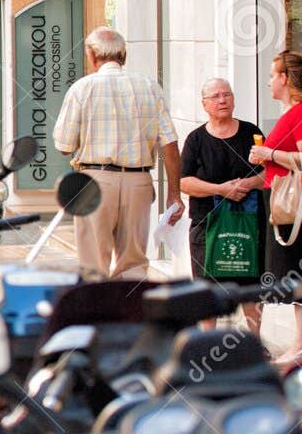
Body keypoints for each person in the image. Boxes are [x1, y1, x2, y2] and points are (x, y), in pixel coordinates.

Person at [53, 26, 183, 280]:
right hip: (138, 181)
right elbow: (170, 143)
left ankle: (100, 316)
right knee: (134, 264)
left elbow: (64, 145)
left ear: (91, 55)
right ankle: (129, 316)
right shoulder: (149, 86)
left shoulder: (82, 89)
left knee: (93, 264)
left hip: (94, 181)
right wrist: (174, 194)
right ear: (123, 55)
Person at [181, 78, 265, 332]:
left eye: (226, 95)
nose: (222, 100)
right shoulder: (196, 139)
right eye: (215, 96)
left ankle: (254, 342)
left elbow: (269, 173)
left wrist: (246, 184)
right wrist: (220, 190)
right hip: (207, 226)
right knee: (208, 288)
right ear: (204, 104)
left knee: (250, 286)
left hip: (248, 224)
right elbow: (184, 182)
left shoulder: (252, 132)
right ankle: (208, 341)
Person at [250, 52, 302, 360]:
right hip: (282, 203)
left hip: (293, 205)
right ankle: (298, 343)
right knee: (292, 273)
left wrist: (269, 154)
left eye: (272, 75)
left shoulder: (298, 113)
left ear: (284, 79)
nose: (268, 81)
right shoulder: (289, 112)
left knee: (295, 270)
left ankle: (298, 345)